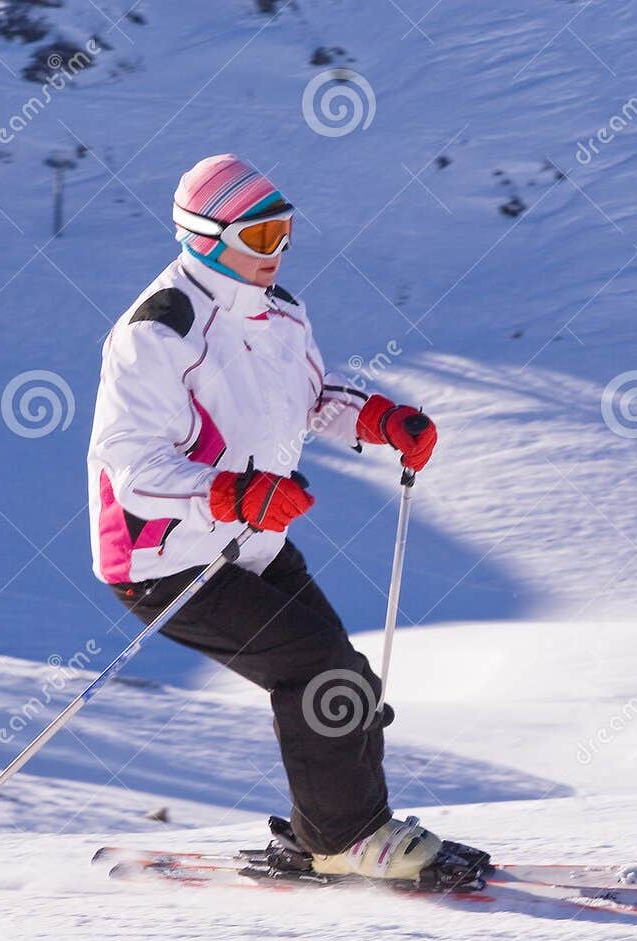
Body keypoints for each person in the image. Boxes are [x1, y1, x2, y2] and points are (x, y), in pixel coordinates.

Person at [86, 154, 461, 883]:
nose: (278, 251)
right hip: (165, 559)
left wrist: (379, 419)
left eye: (284, 232)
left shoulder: (282, 313)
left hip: (249, 540)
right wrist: (234, 493)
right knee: (315, 671)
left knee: (345, 676)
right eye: (260, 238)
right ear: (205, 237)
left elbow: (309, 400)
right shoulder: (157, 333)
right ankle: (345, 840)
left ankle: (337, 829)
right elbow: (130, 469)